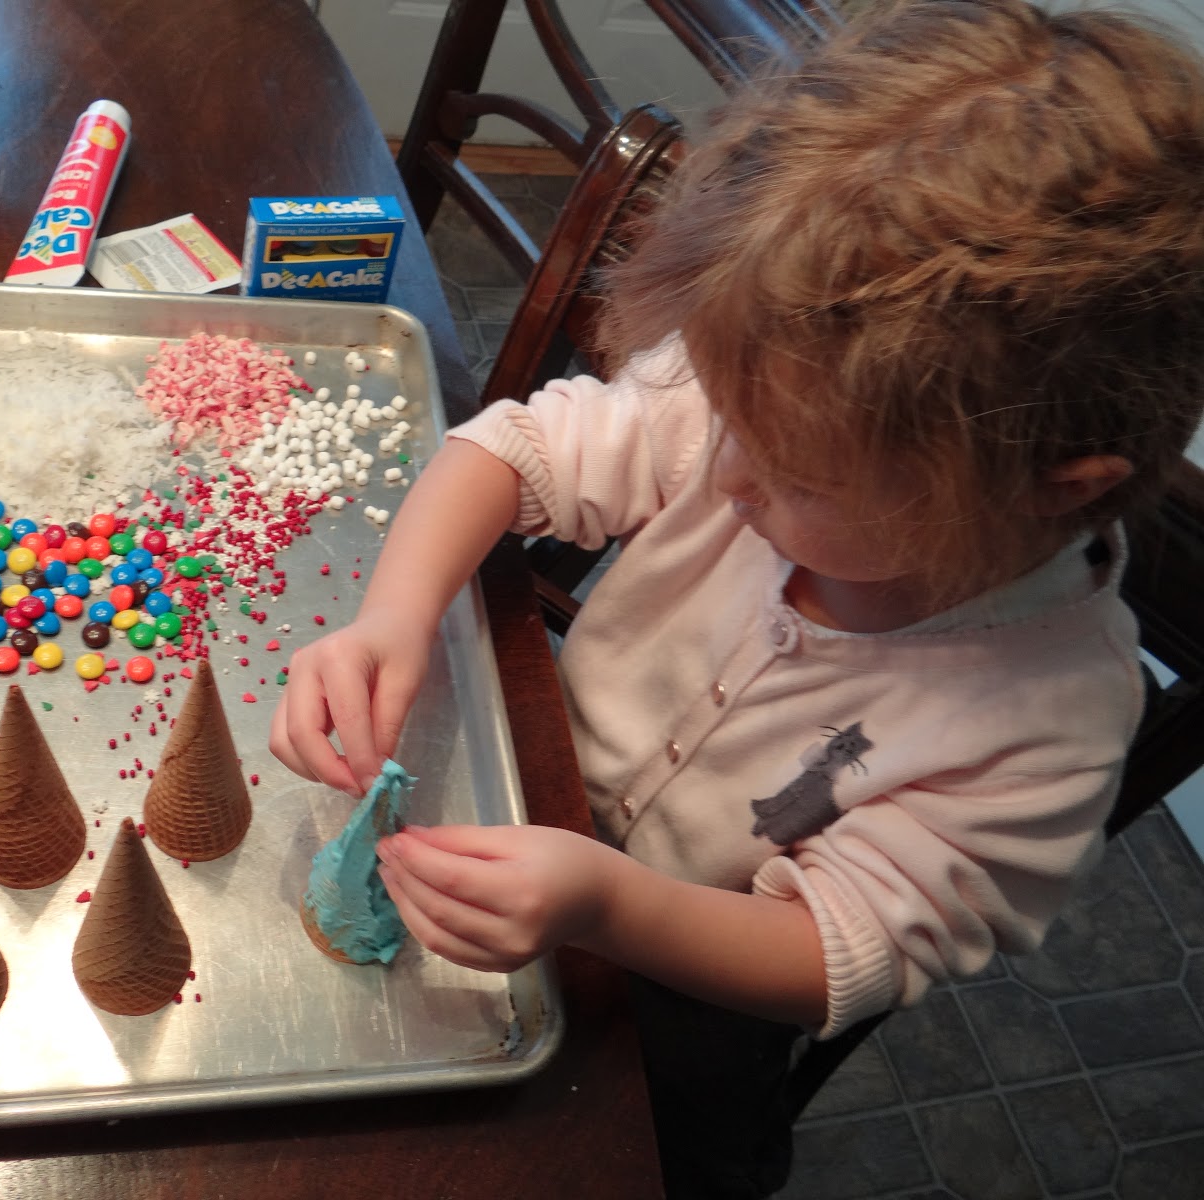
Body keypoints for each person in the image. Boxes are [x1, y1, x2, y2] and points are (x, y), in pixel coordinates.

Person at [271, 0, 1204, 1193]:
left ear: (1040, 491)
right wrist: (391, 618)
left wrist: (607, 902)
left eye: (792, 474)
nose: (721, 472)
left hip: (693, 969)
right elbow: (506, 453)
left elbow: (838, 949)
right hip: (534, 775)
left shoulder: (1048, 726)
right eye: (725, 419)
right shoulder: (774, 395)